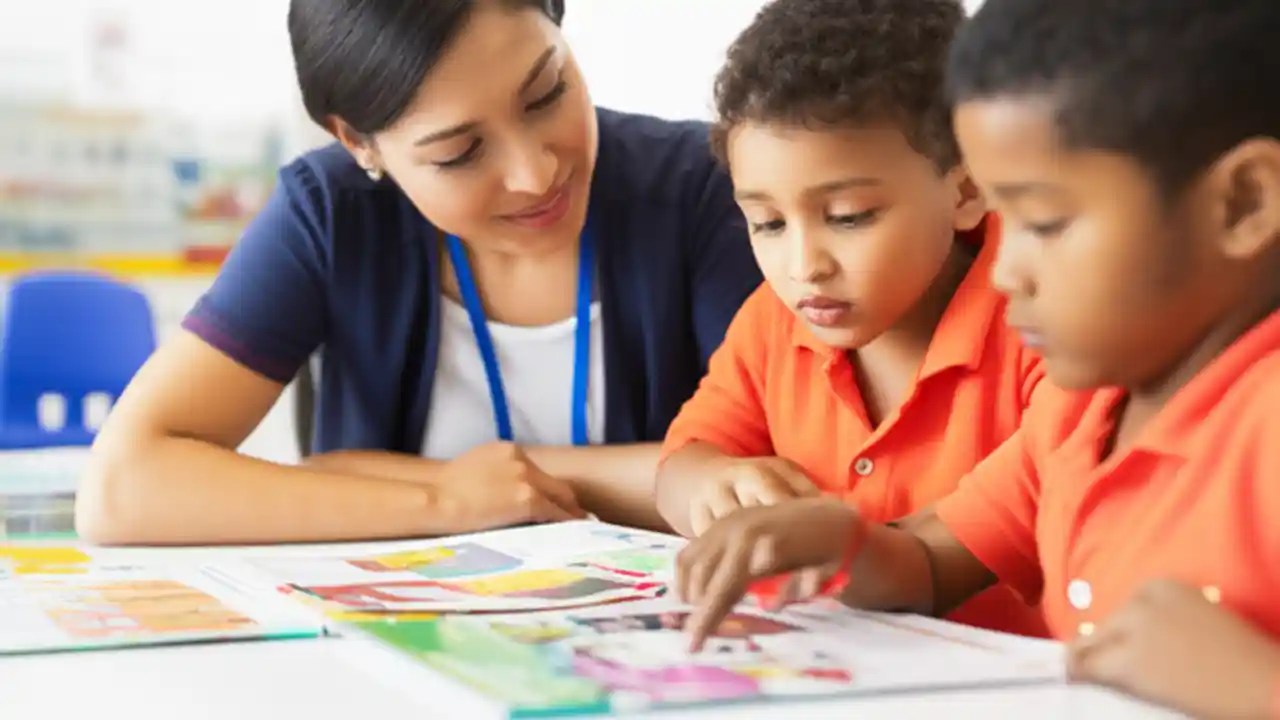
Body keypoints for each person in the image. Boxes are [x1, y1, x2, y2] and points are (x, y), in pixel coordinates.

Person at [673, 0, 1280, 716]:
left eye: (1045, 223)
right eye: (1003, 218)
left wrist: (1254, 687)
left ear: (1244, 203)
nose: (1004, 272)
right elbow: (931, 561)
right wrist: (848, 546)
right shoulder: (1079, 411)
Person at [76, 0, 761, 545]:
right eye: (460, 153)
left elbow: (783, 475)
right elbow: (121, 488)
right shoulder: (331, 212)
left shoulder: (702, 191)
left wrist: (380, 478)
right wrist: (445, 499)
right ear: (357, 142)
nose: (536, 173)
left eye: (547, 92)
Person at [653, 0, 1045, 636]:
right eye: (768, 224)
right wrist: (714, 484)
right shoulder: (773, 324)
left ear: (969, 190)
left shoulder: (1047, 320)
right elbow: (681, 463)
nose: (804, 265)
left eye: (849, 216)